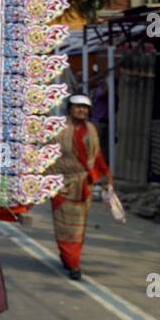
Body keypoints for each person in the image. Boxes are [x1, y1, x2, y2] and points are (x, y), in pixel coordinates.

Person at [50, 93, 110, 279]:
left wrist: (106, 176)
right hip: (62, 183)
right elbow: (48, 155)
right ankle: (73, 264)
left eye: (85, 107)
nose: (82, 110)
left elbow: (97, 155)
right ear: (70, 109)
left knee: (78, 228)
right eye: (78, 107)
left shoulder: (91, 129)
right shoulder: (58, 129)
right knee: (64, 227)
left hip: (84, 185)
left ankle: (70, 259)